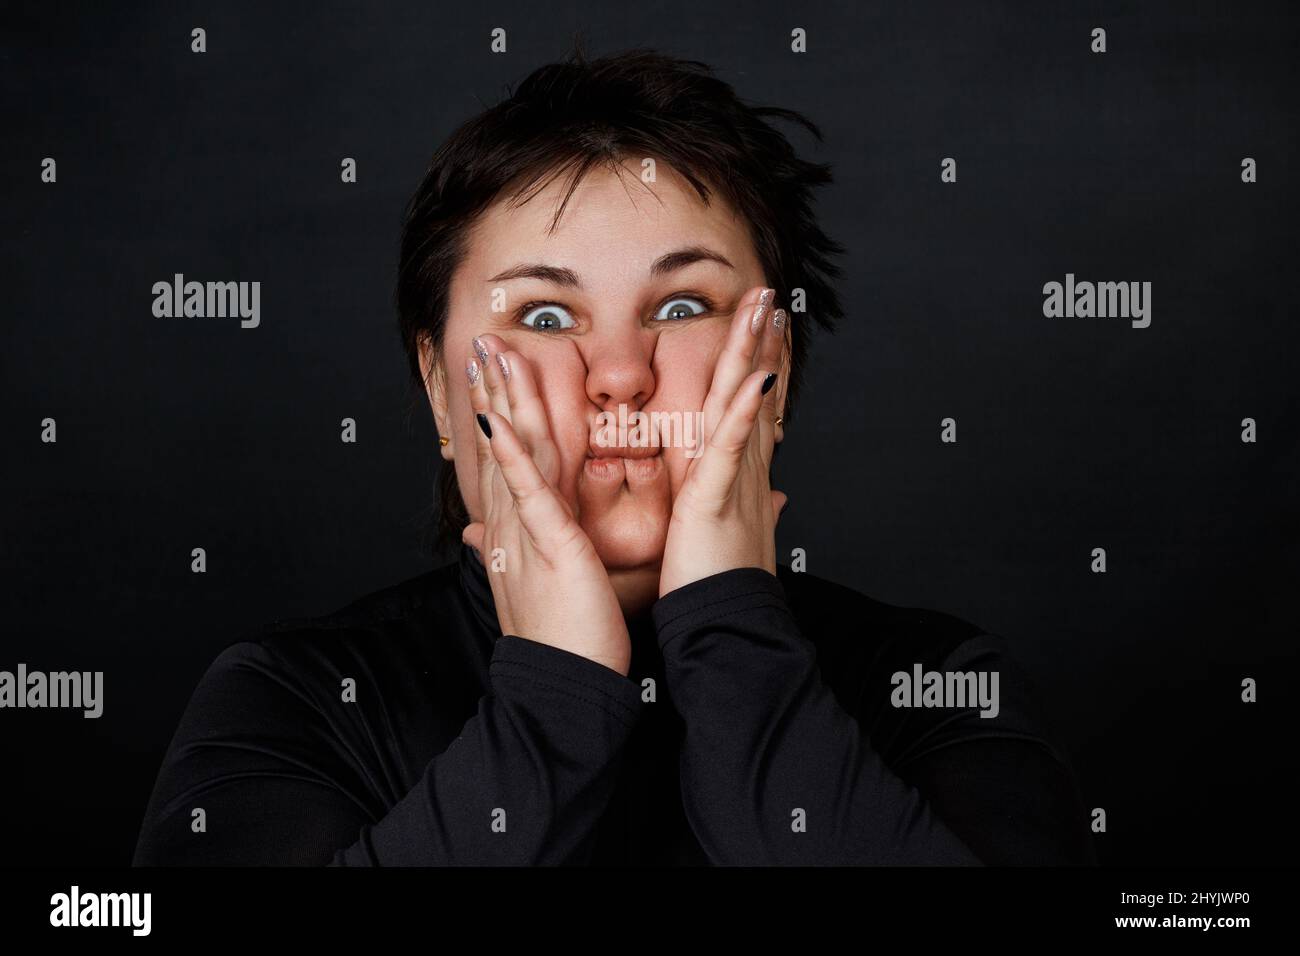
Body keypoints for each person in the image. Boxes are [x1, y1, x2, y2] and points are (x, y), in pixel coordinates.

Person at [133, 48, 1094, 866]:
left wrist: (730, 629)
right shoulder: (292, 700)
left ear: (775, 363)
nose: (622, 377)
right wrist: (557, 685)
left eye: (682, 308)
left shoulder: (935, 684)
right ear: (439, 384)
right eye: (546, 317)